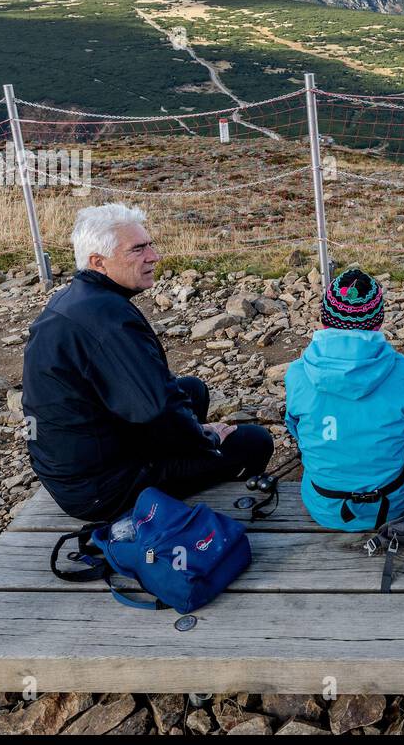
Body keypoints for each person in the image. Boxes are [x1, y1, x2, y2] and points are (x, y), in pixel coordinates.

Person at [22, 203, 273, 521]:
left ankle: (188, 469)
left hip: (72, 460)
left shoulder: (76, 298)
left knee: (192, 390)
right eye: (138, 249)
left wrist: (192, 431)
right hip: (100, 490)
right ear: (99, 262)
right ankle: (221, 514)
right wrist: (206, 438)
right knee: (253, 441)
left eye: (150, 245)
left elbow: (151, 398)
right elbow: (154, 408)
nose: (153, 256)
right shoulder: (109, 320)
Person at [285, 268, 404, 530]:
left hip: (325, 505)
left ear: (324, 319)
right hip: (394, 502)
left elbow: (296, 429)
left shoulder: (297, 373)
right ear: (378, 321)